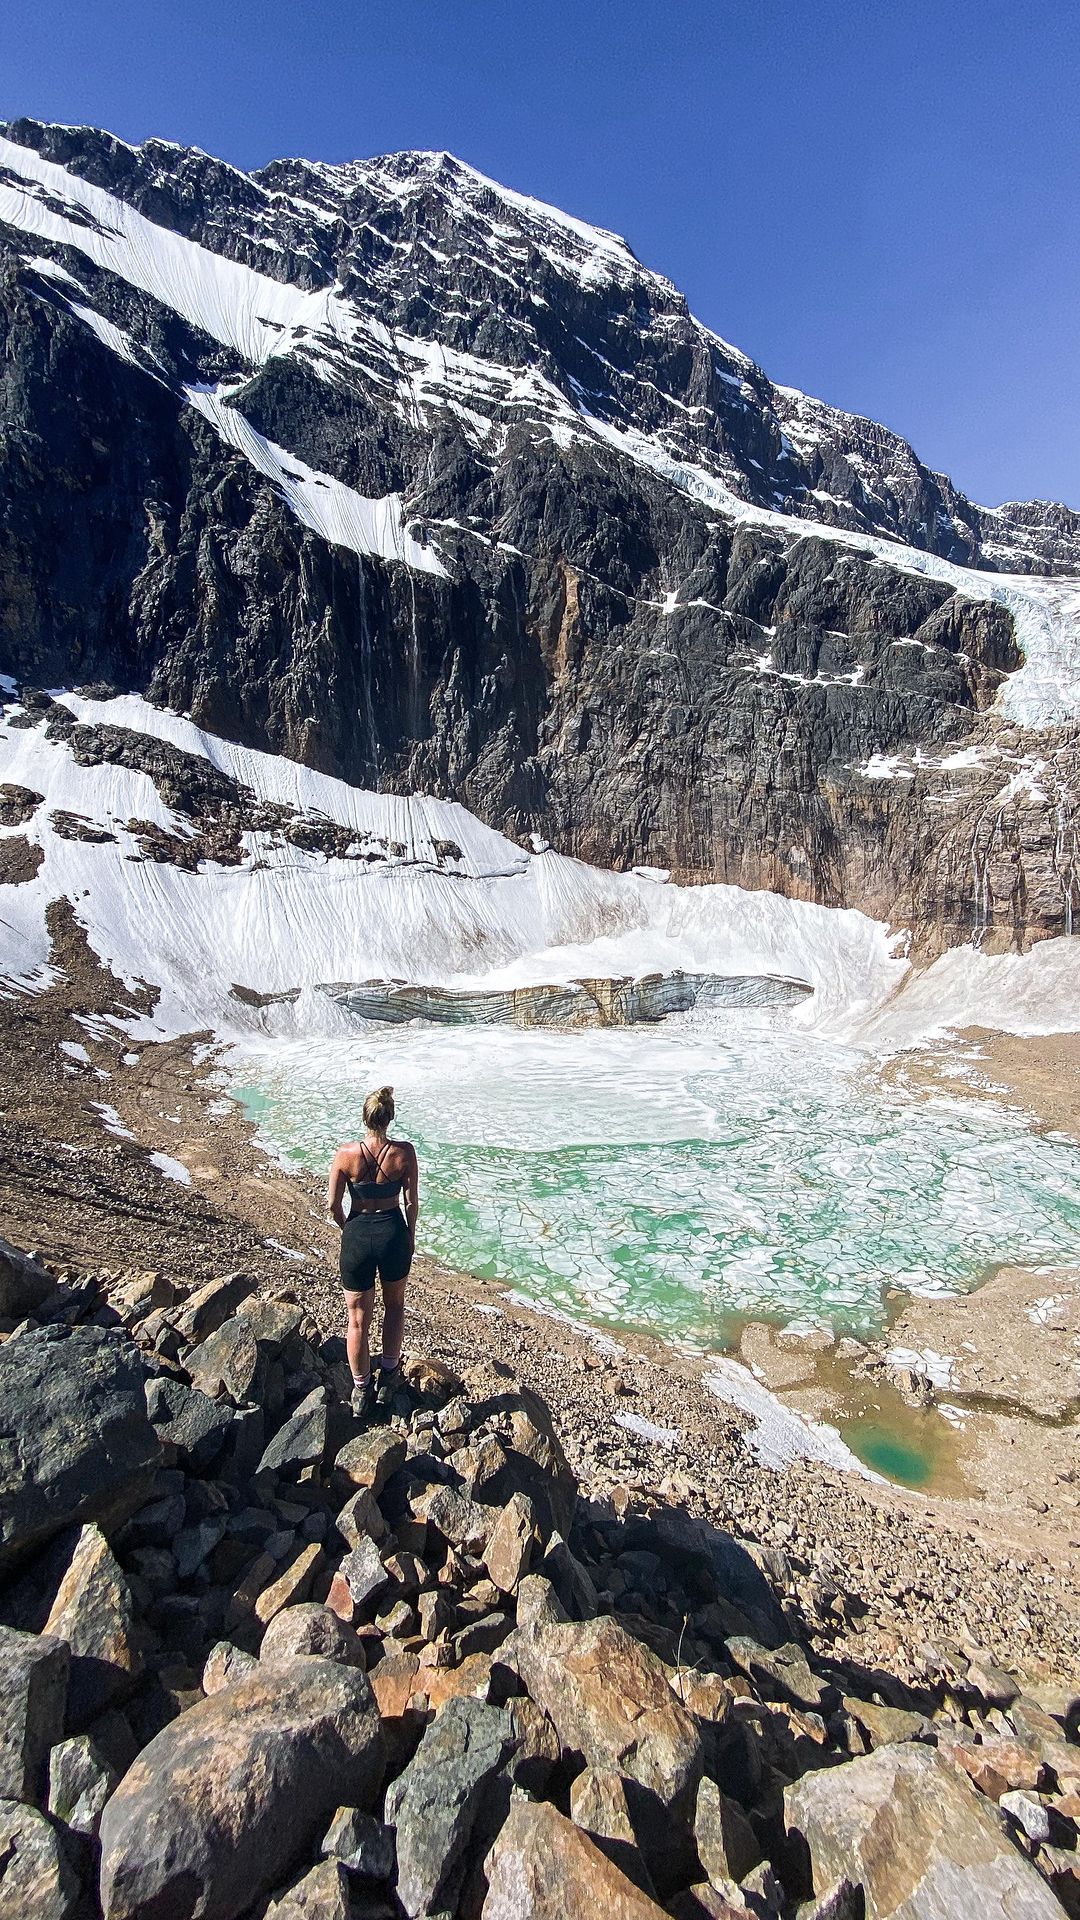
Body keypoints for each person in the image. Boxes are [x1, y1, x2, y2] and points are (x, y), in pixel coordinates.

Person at [327, 1085, 419, 1417]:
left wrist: (348, 1228)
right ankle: (390, 1376)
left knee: (357, 1320)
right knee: (394, 1306)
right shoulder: (404, 1153)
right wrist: (409, 1235)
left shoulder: (345, 1154)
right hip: (392, 1232)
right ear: (389, 1117)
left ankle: (361, 1389)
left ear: (365, 1117)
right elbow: (411, 1202)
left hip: (357, 1233)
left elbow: (333, 1204)